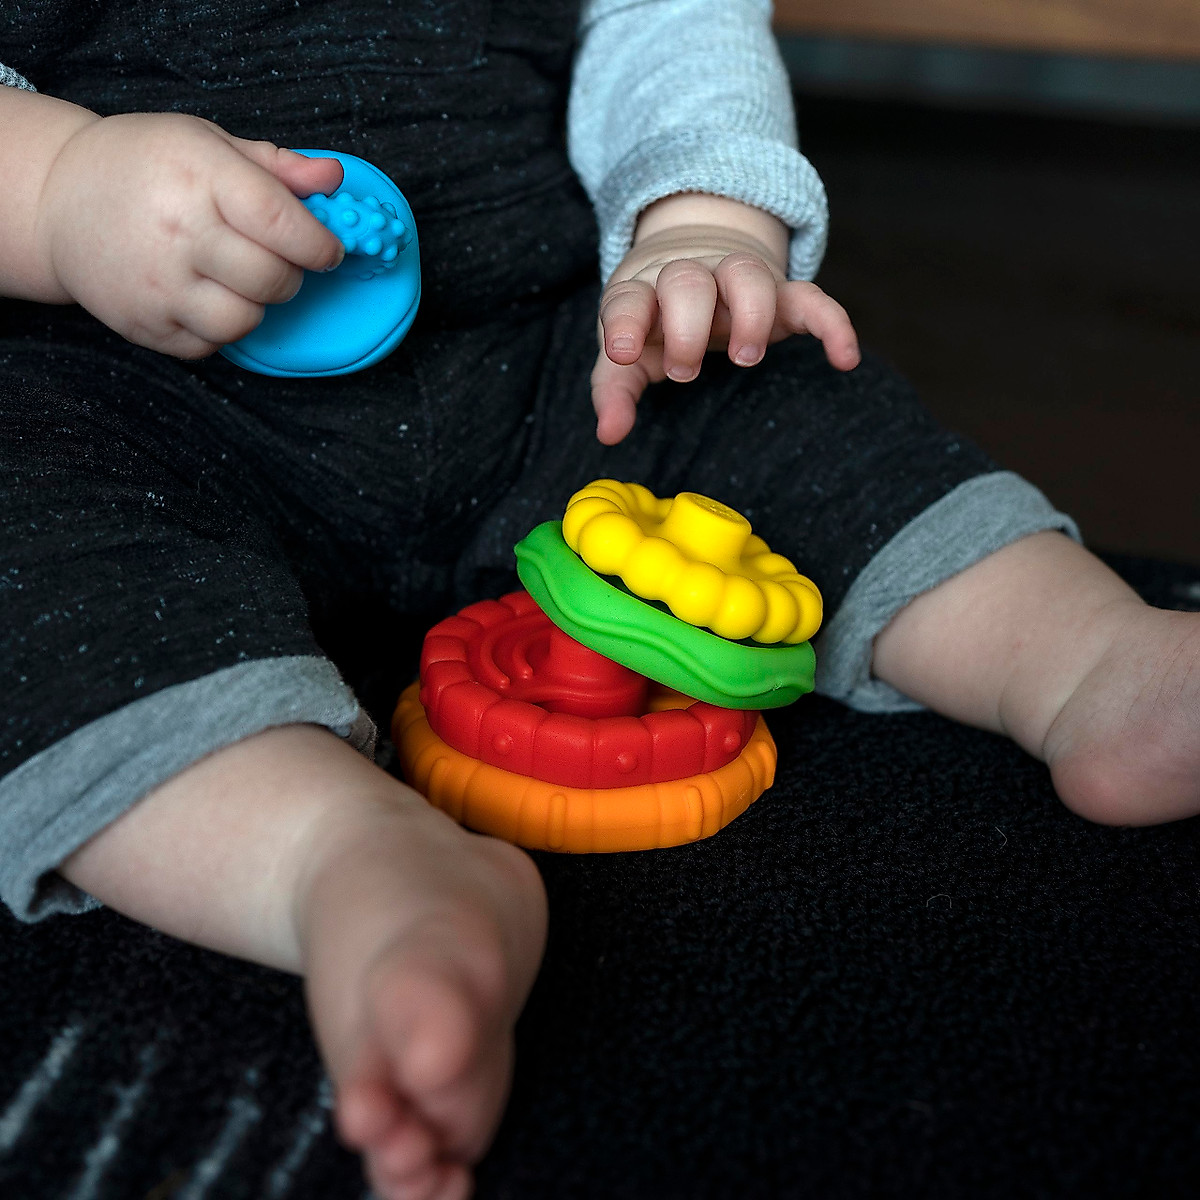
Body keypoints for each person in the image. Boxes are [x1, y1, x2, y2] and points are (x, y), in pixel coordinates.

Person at [1, 2, 1196, 1198]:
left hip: (566, 361)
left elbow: (665, 19)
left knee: (764, 393)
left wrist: (700, 222)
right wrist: (59, 188)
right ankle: (341, 858)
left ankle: (1088, 662)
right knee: (31, 550)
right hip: (142, 402)